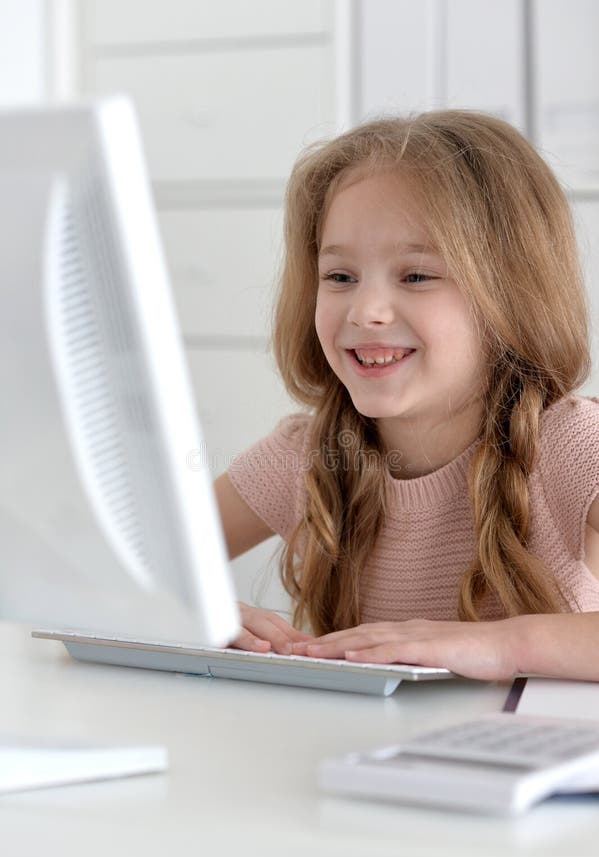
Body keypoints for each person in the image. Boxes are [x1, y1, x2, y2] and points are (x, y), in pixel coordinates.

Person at [213, 109, 599, 682]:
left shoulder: (572, 444)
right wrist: (189, 613)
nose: (365, 311)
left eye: (416, 276)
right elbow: (116, 571)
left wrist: (504, 645)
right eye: (340, 277)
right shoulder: (305, 453)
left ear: (511, 294)